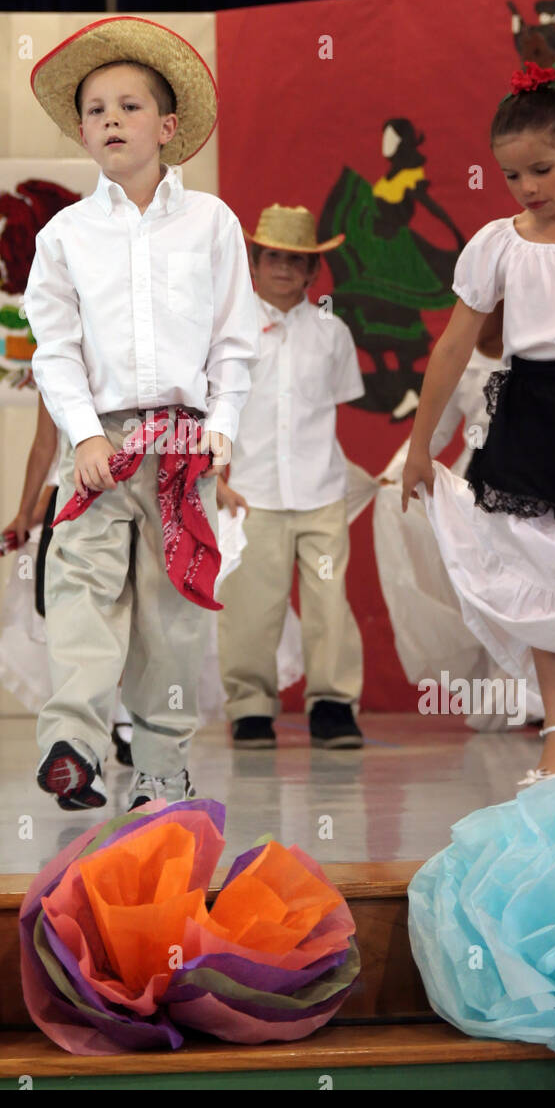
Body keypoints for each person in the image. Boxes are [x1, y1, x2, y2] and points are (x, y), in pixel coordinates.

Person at [24, 17, 259, 810]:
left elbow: (235, 336)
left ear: (168, 127)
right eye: (95, 109)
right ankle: (74, 746)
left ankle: (161, 767)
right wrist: (85, 433)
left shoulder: (212, 223)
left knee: (172, 613)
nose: (112, 120)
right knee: (80, 589)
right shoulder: (65, 235)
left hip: (183, 445)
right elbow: (52, 348)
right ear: (82, 131)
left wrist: (223, 420)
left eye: (130, 106)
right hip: (100, 447)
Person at [401, 61, 555, 785]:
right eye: (513, 176)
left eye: (543, 170)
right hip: (531, 417)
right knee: (540, 569)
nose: (529, 189)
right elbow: (454, 346)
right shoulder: (499, 243)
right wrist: (420, 446)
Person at [216, 205, 365, 750]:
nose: (282, 268)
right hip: (251, 493)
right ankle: (250, 706)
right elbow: (214, 411)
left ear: (311, 273)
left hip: (322, 490)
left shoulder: (332, 333)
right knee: (251, 606)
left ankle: (333, 704)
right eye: (272, 256)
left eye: (295, 260)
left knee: (329, 602)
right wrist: (216, 477)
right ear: (254, 264)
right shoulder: (228, 332)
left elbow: (336, 405)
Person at [0, 393, 133, 764]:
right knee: (76, 614)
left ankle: (126, 720)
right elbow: (45, 447)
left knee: (131, 607)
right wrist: (25, 512)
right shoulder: (56, 363)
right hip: (73, 497)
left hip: (133, 494)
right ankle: (79, 735)